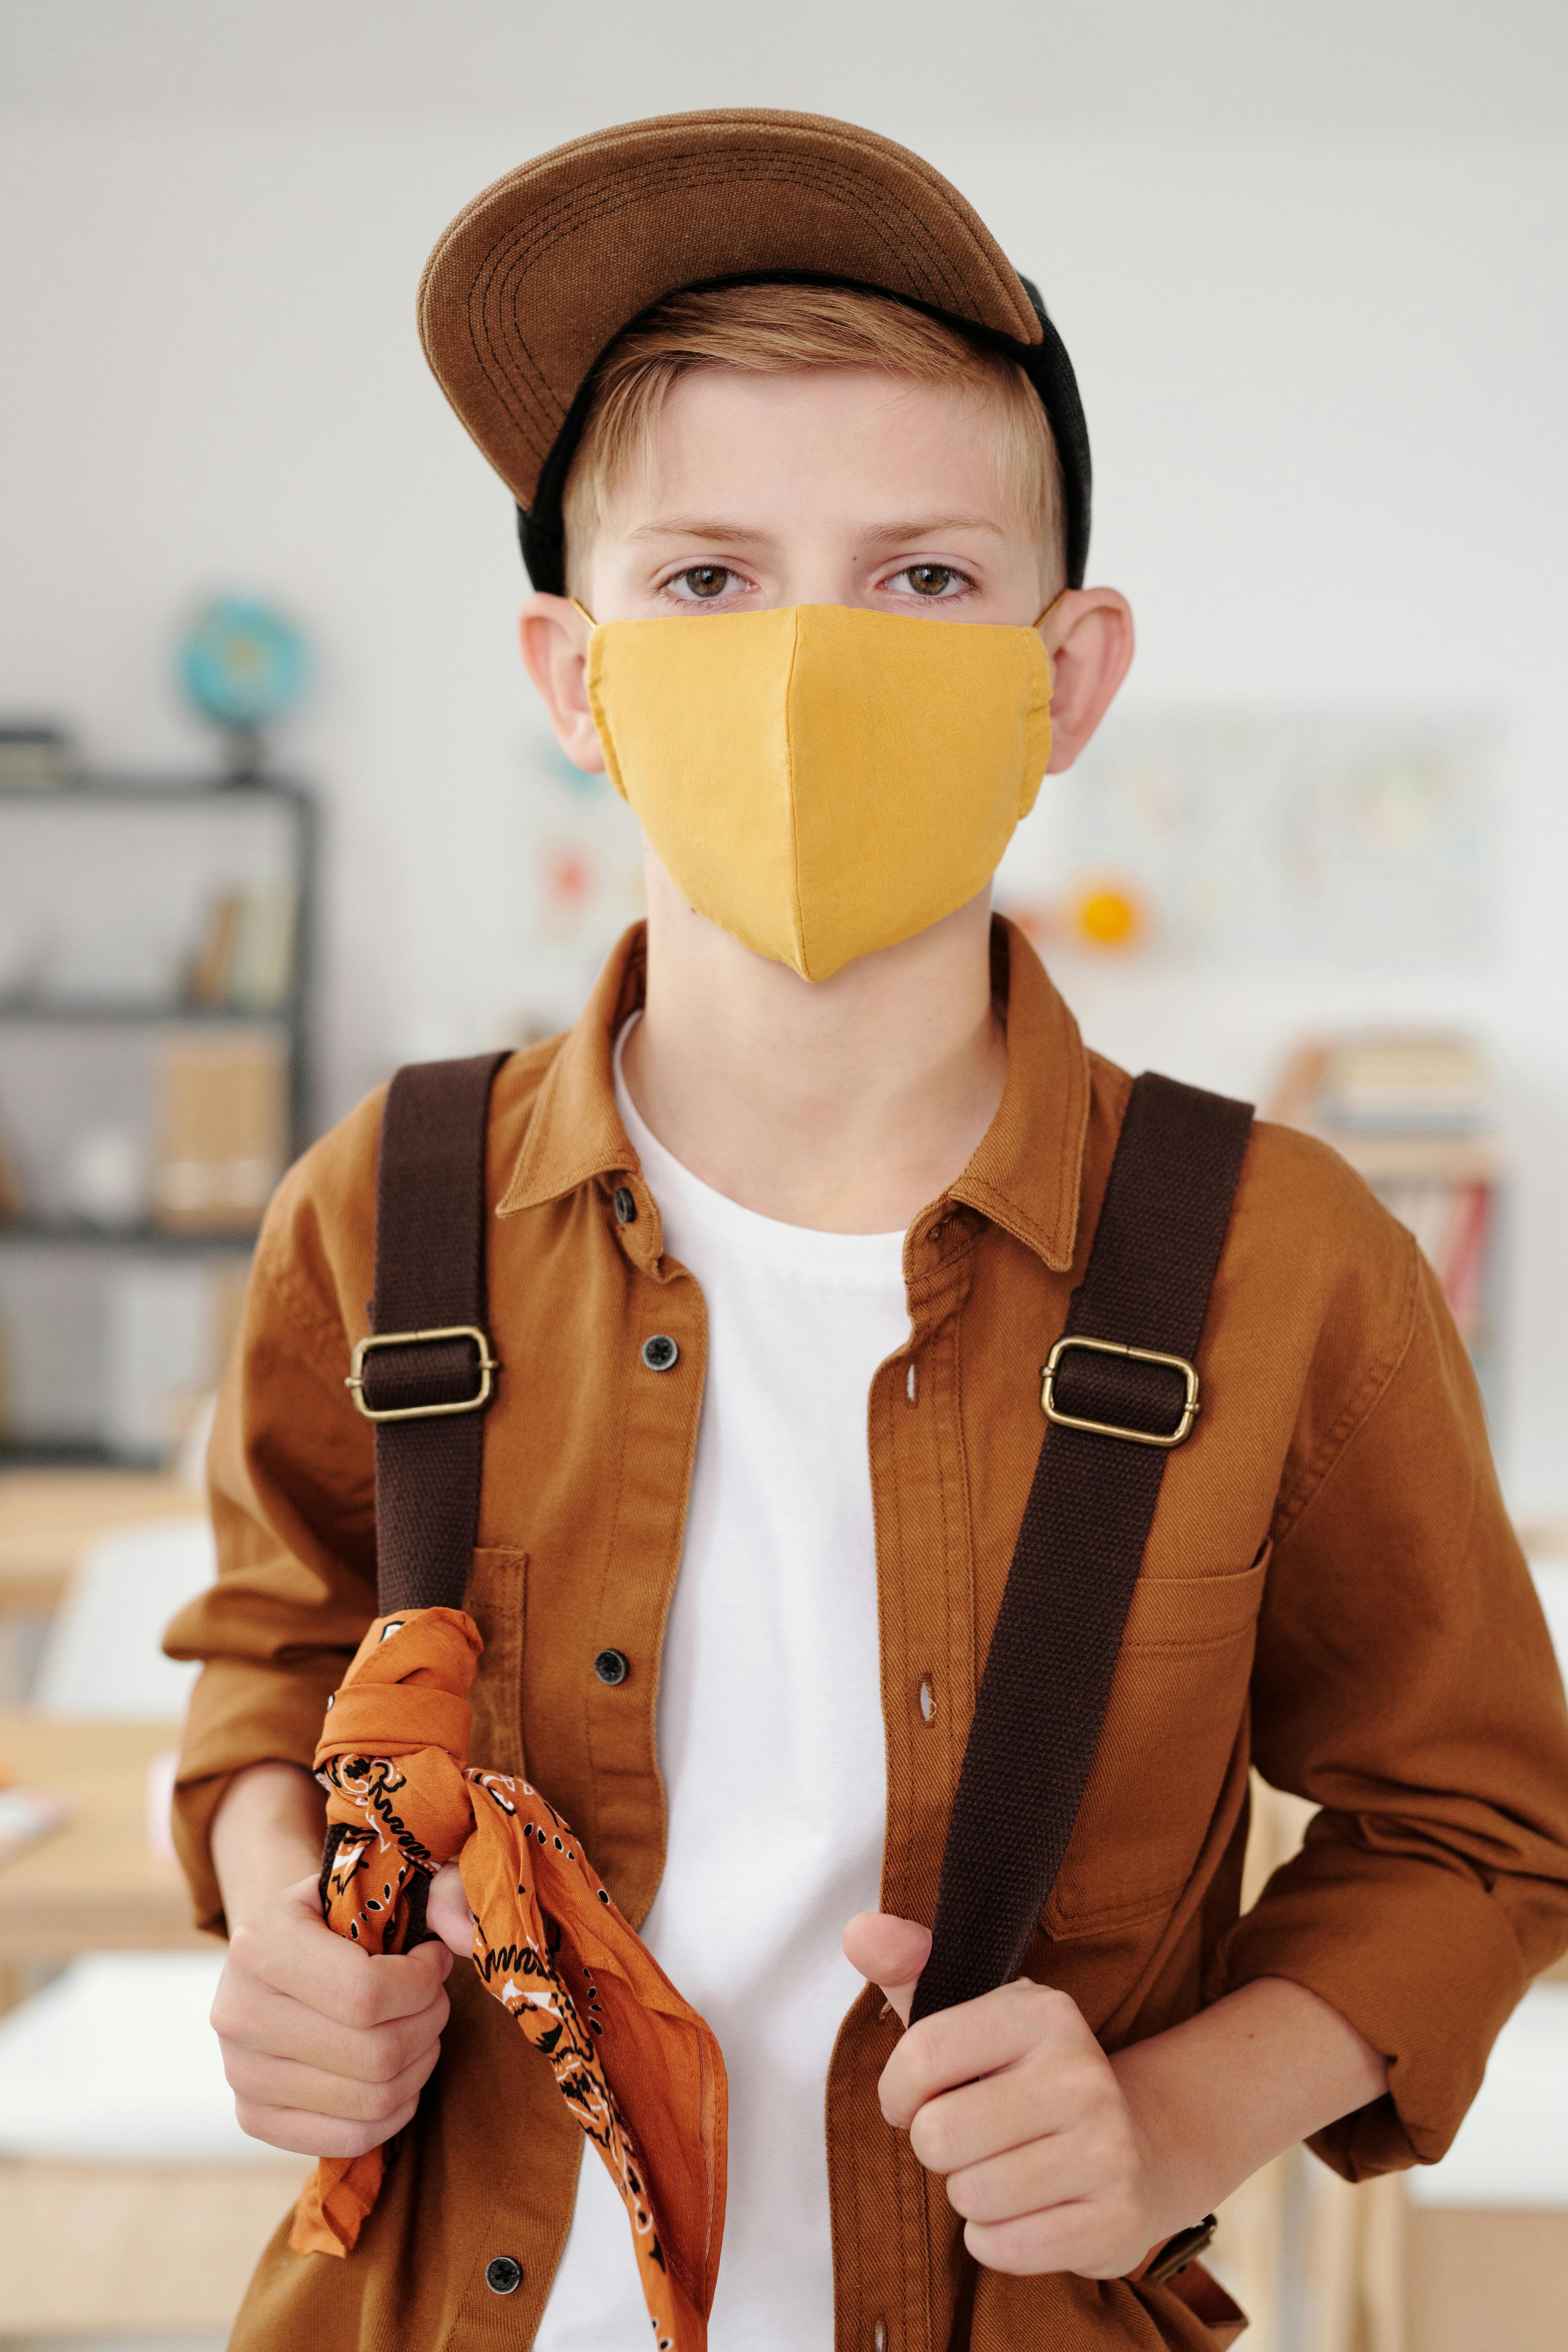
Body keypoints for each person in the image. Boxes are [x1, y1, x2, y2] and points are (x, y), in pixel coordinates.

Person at [167, 110, 1568, 2351]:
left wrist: (1187, 2117)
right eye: (707, 578)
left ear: (1068, 673)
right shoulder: (382, 1207)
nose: (809, 659)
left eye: (923, 577)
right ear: (573, 680)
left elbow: (1484, 1826)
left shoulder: (1285, 1259)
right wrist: (274, 1927)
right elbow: (268, 1671)